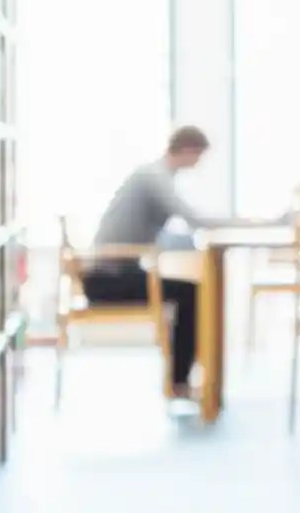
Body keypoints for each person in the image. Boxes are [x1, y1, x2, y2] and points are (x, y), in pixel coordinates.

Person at [84, 125, 215, 399]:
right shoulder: (154, 177)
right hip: (107, 280)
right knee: (191, 293)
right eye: (199, 156)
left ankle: (183, 379)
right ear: (189, 150)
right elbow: (193, 219)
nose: (198, 164)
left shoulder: (152, 174)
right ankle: (179, 382)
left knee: (189, 289)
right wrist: (247, 222)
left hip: (111, 272)